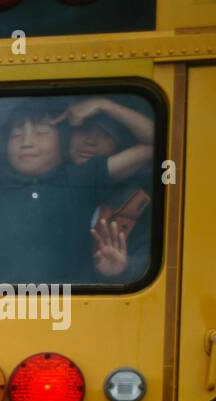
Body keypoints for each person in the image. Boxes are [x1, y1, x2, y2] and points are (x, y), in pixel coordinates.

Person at [0, 97, 152, 285]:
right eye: (16, 135)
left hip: (66, 312)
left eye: (41, 133)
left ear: (64, 144)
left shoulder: (80, 178)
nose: (26, 142)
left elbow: (156, 144)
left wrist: (104, 104)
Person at [61, 97, 155, 282]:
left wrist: (124, 268)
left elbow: (166, 141)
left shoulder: (139, 201)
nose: (90, 141)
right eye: (82, 130)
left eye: (106, 134)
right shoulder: (47, 183)